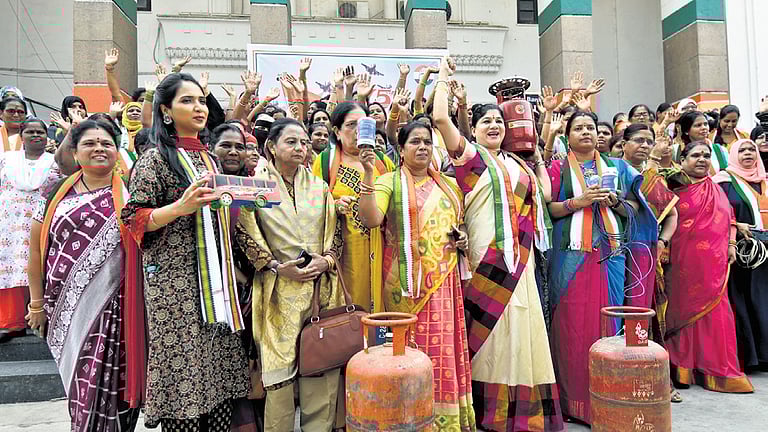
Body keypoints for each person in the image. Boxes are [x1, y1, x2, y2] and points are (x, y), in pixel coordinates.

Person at [434, 56, 564, 431]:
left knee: (523, 331)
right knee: (489, 340)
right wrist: (442, 76)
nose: (494, 126)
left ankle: (524, 415)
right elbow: (440, 119)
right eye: (486, 121)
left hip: (521, 261)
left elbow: (545, 194)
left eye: (499, 121)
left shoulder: (519, 165)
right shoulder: (470, 158)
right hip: (484, 261)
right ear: (472, 130)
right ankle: (487, 412)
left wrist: (538, 156)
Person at [121, 73, 249, 430]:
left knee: (217, 368)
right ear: (165, 110)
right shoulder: (155, 159)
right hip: (176, 286)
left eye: (201, 101)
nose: (198, 108)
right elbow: (133, 218)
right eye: (187, 101)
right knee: (184, 370)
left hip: (216, 283)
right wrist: (179, 208)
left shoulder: (209, 158)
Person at [26, 119, 145, 431]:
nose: (99, 149)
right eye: (89, 143)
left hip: (116, 309)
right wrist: (36, 304)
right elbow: (36, 251)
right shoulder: (54, 193)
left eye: (106, 143)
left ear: (117, 151)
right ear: (75, 152)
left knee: (115, 389)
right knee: (80, 386)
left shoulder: (132, 195)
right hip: (64, 309)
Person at [358, 121, 475, 431]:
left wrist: (462, 239)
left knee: (442, 351)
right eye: (415, 142)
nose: (422, 147)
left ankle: (444, 421)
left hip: (444, 284)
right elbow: (371, 219)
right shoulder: (388, 181)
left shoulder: (449, 185)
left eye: (427, 142)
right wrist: (368, 173)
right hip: (403, 286)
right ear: (401, 149)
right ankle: (410, 419)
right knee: (407, 351)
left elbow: (459, 225)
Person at [546, 111, 657, 424]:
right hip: (570, 255)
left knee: (608, 318)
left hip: (611, 254)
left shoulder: (618, 168)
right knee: (570, 324)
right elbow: (547, 209)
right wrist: (578, 202)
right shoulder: (557, 169)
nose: (585, 132)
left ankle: (606, 398)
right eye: (578, 128)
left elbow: (635, 208)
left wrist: (615, 202)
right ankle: (572, 402)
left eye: (590, 127)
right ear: (567, 136)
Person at [235, 118, 344, 432]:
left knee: (320, 369)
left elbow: (335, 232)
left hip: (319, 290)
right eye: (291, 141)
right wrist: (274, 266)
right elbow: (245, 233)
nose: (300, 148)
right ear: (271, 146)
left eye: (304, 142)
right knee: (279, 378)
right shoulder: (254, 187)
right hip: (277, 292)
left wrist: (327, 261)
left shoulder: (319, 187)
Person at [663, 141, 754, 393]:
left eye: (706, 155)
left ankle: (714, 369)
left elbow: (729, 219)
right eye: (695, 155)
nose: (702, 159)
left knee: (716, 311)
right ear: (682, 160)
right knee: (681, 310)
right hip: (682, 262)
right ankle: (681, 367)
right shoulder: (672, 187)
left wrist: (732, 244)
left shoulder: (715, 188)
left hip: (713, 262)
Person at [312, 102, 395, 311]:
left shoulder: (383, 163)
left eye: (363, 124)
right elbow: (311, 205)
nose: (358, 130)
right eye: (350, 125)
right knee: (347, 310)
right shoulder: (325, 163)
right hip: (344, 254)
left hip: (381, 247)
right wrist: (333, 205)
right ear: (337, 131)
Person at [0, 118, 60, 343]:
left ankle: (43, 317)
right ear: (21, 136)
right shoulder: (7, 159)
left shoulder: (55, 162)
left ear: (47, 136)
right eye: (30, 132)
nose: (36, 135)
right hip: (9, 224)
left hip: (43, 220)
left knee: (42, 265)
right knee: (11, 267)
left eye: (40, 132)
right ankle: (11, 321)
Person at [713, 139, 768, 370]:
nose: (747, 153)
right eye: (742, 150)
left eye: (751, 150)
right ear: (733, 155)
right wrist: (735, 228)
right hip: (743, 251)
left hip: (767, 252)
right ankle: (752, 357)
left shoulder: (765, 180)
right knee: (747, 301)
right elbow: (719, 212)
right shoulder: (723, 182)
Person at [116, 101, 143, 176]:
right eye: (131, 110)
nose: (135, 113)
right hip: (123, 168)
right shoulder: (119, 130)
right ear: (124, 114)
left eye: (138, 111)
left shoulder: (148, 130)